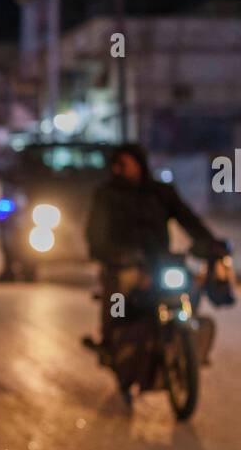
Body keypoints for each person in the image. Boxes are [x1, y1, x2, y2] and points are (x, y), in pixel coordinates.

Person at [84, 145, 220, 389]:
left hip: (160, 263)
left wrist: (211, 243)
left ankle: (184, 339)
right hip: (123, 264)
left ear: (140, 163)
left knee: (191, 285)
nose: (121, 169)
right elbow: (95, 234)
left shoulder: (160, 192)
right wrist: (108, 254)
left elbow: (189, 220)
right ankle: (110, 341)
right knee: (118, 297)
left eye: (126, 163)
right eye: (117, 164)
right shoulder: (106, 195)